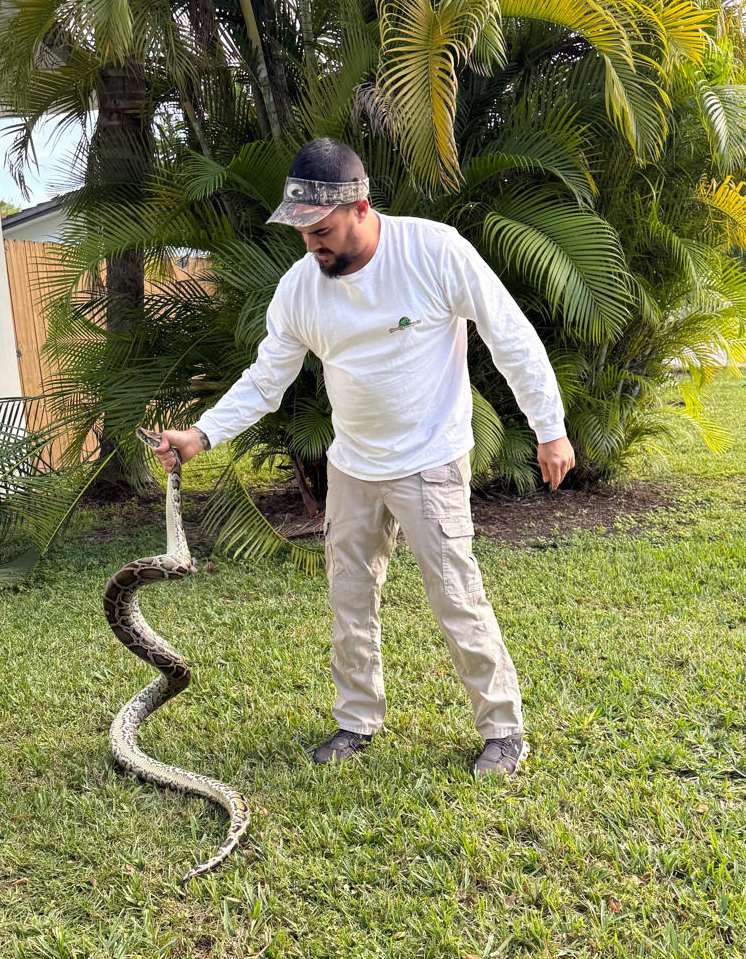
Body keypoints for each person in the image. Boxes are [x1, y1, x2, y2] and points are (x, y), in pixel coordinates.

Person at [154, 138, 576, 776]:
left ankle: (503, 728)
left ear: (360, 206)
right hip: (351, 464)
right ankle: (356, 720)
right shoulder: (301, 288)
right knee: (349, 595)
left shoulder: (432, 252)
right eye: (301, 232)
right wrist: (202, 434)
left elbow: (508, 333)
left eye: (321, 231)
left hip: (430, 457)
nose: (311, 245)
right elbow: (267, 379)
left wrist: (549, 428)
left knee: (456, 595)